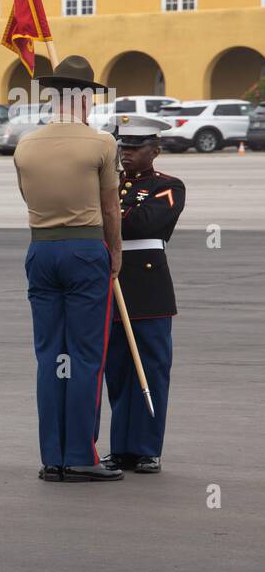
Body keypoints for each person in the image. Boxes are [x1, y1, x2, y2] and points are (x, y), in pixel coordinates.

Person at [12, 55, 123, 482]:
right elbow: (110, 207)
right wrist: (114, 252)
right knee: (84, 356)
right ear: (84, 98)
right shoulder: (100, 143)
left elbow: (28, 197)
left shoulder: (26, 145)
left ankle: (52, 456)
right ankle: (80, 454)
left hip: (41, 250)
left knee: (51, 356)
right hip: (84, 249)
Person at [103, 114, 185, 475]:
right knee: (118, 372)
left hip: (148, 288)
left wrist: (108, 214)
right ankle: (121, 448)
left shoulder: (168, 186)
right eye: (124, 146)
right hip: (110, 283)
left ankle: (147, 448)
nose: (128, 154)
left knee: (150, 370)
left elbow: (143, 223)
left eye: (137, 148)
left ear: (156, 149)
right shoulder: (105, 184)